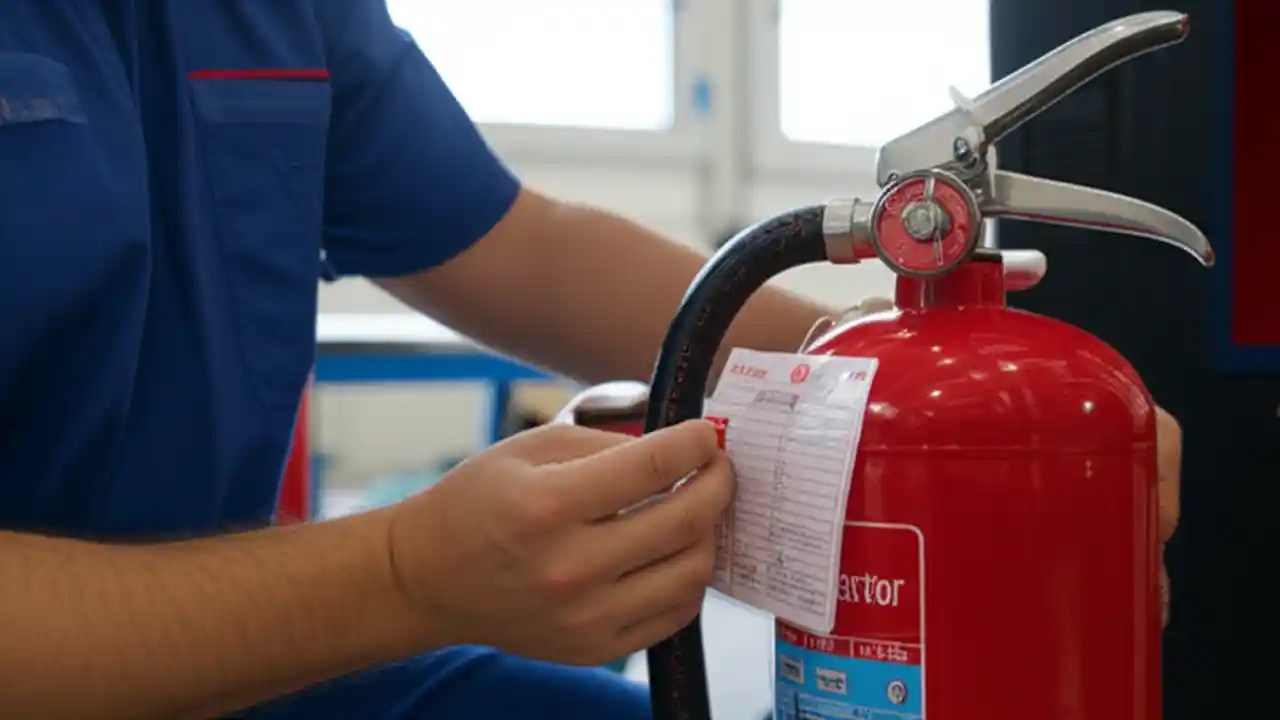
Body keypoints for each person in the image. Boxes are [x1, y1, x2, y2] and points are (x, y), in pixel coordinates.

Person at [0, 3, 1184, 719]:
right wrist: (402, 579)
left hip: (236, 681)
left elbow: (519, 246)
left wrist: (904, 388)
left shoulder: (274, 15)